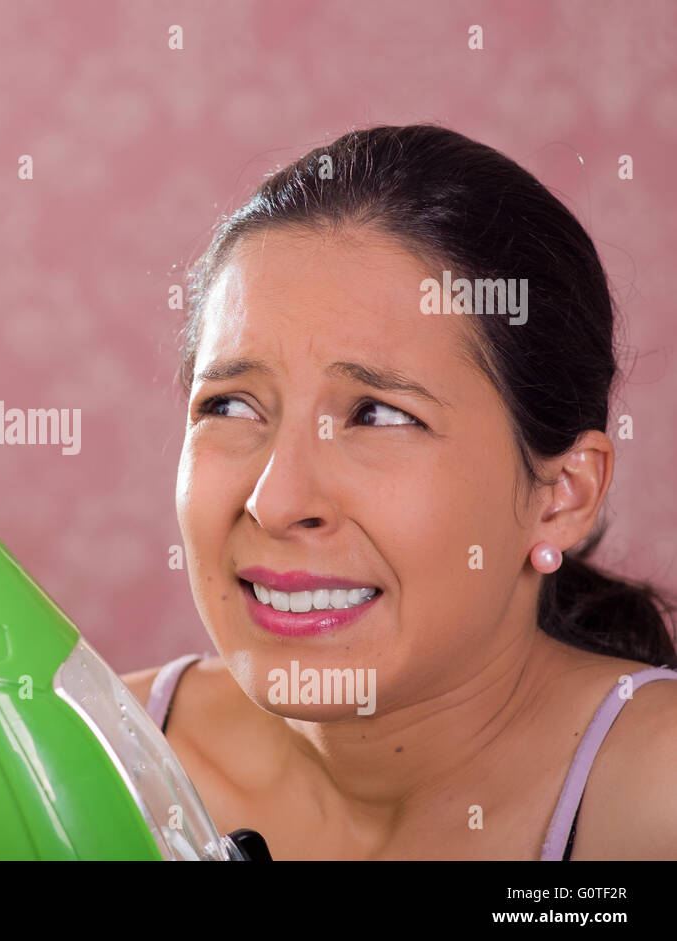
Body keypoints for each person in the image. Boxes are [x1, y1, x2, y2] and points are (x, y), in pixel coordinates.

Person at [123, 124, 677, 860]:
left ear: (562, 495)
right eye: (230, 405)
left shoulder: (657, 806)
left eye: (378, 415)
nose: (275, 501)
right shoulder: (70, 760)